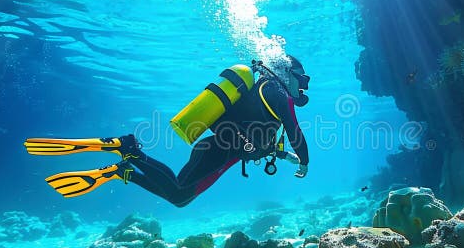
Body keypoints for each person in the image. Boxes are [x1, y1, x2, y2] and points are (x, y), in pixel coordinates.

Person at [24, 55, 310, 207]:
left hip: (215, 149)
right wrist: (305, 161)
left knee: (179, 197)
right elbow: (294, 131)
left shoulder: (262, 89)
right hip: (219, 152)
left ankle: (124, 168)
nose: (303, 87)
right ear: (287, 73)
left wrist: (287, 159)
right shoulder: (278, 92)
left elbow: (265, 139)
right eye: (302, 79)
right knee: (178, 192)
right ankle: (128, 152)